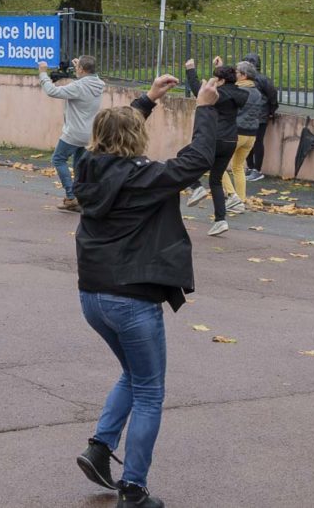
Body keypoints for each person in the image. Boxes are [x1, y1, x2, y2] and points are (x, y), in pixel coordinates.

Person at [72, 73, 219, 508]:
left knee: (133, 375)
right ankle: (133, 490)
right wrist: (205, 110)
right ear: (136, 138)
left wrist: (148, 99)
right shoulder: (145, 177)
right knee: (150, 391)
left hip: (92, 295)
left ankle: (100, 448)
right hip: (131, 297)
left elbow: (115, 130)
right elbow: (198, 158)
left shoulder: (87, 166)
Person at [182, 57, 248, 236]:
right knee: (216, 180)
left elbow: (199, 92)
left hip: (213, 137)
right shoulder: (238, 94)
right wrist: (221, 68)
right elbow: (226, 86)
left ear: (222, 81)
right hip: (230, 141)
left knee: (183, 155)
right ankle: (221, 220)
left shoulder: (218, 95)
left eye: (216, 79)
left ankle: (196, 187)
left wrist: (190, 70)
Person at [38, 56, 105, 212]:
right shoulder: (98, 83)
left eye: (78, 67)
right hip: (89, 133)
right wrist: (79, 67)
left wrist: (43, 73)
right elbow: (87, 80)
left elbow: (52, 91)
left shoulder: (78, 86)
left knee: (58, 159)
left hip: (74, 132)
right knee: (78, 165)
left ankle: (70, 197)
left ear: (81, 69)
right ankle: (80, 197)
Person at [220, 61, 265, 212]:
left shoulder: (239, 90)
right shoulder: (257, 92)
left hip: (236, 133)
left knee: (217, 164)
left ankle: (232, 196)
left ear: (244, 76)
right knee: (238, 167)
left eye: (237, 73)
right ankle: (241, 200)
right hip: (251, 135)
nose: (234, 75)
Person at [241, 52, 279, 182]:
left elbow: (272, 95)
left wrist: (271, 110)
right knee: (254, 142)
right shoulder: (262, 79)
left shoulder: (252, 78)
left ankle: (254, 169)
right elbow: (272, 95)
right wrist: (272, 110)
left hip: (255, 114)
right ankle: (253, 168)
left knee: (252, 141)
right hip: (258, 114)